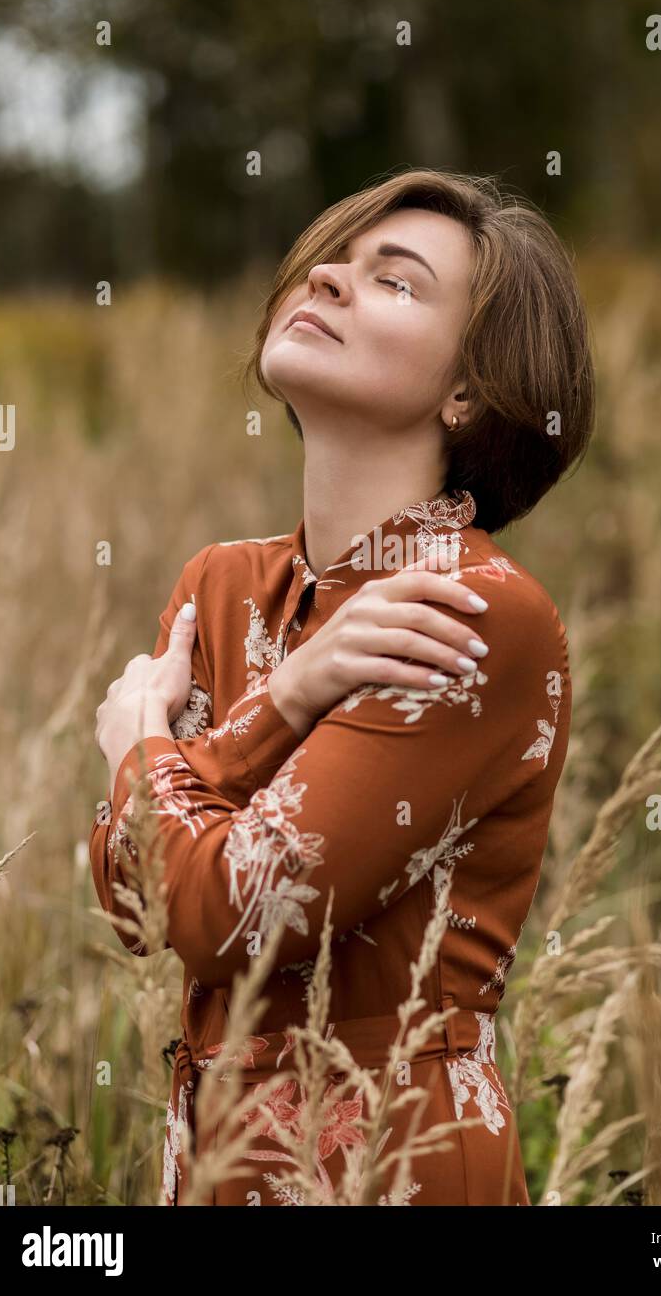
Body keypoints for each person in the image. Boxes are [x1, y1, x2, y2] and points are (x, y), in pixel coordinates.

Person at [89, 167, 595, 1206]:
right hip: (209, 1164)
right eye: (331, 259)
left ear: (467, 391)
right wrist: (287, 698)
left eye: (394, 280)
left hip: (390, 1164)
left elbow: (227, 915)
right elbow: (137, 907)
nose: (325, 278)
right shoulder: (220, 586)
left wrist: (141, 745)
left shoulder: (469, 615)